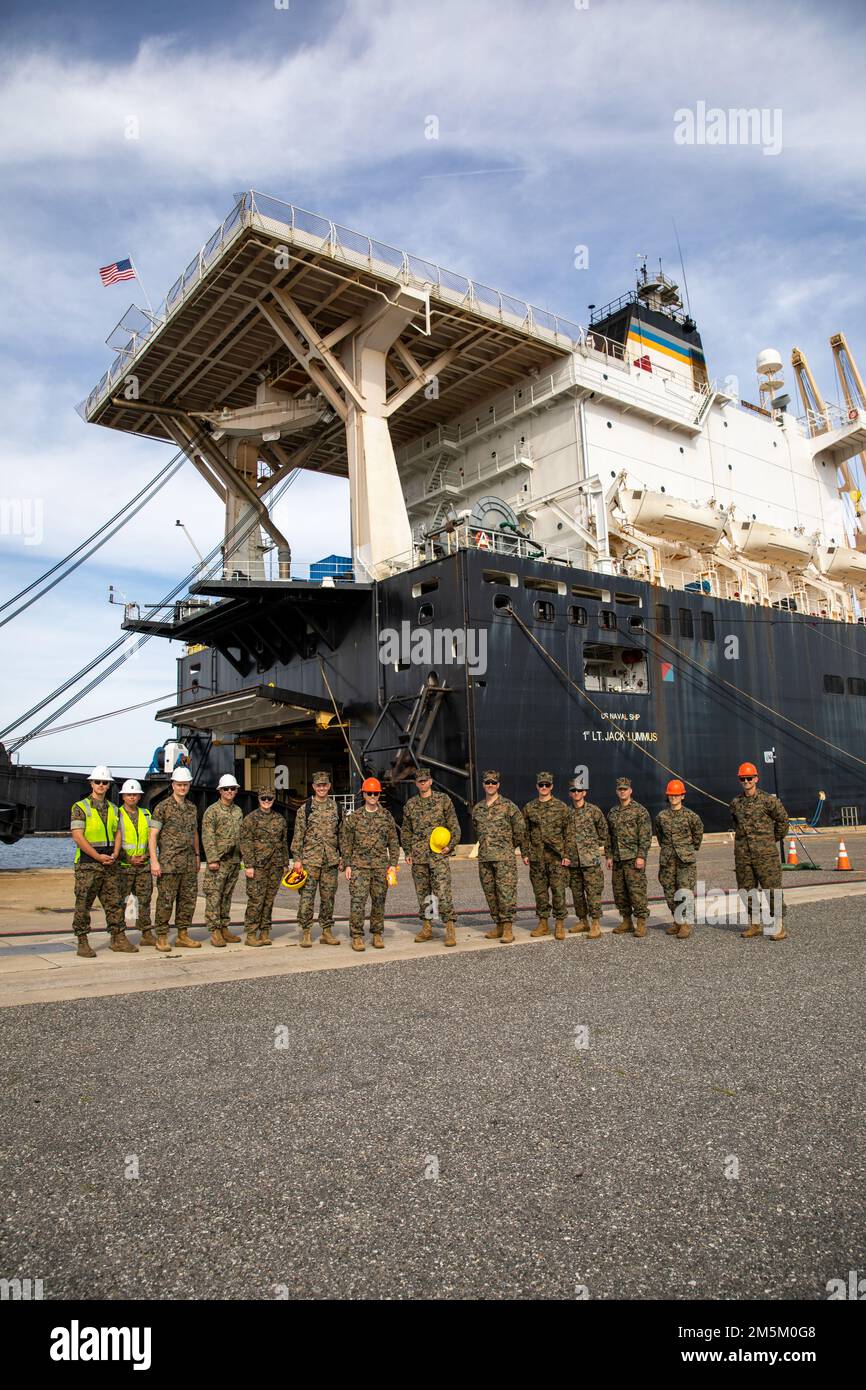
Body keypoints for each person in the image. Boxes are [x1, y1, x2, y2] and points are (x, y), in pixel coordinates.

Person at [69, 765, 129, 958]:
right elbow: (78, 836)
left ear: (109, 785)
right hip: (88, 864)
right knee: (84, 903)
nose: (101, 785)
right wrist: (97, 856)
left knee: (114, 902)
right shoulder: (80, 807)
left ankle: (118, 938)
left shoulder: (114, 809)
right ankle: (82, 941)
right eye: (98, 782)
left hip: (110, 863)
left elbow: (118, 832)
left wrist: (116, 852)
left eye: (105, 782)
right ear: (91, 783)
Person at [400, 767, 461, 947]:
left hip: (438, 856)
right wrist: (408, 851)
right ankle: (427, 927)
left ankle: (449, 927)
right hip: (419, 857)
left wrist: (450, 846)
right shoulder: (410, 805)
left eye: (426, 780)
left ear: (431, 781)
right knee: (424, 894)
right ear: (415, 784)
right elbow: (406, 831)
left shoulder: (443, 800)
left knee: (442, 892)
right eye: (420, 781)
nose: (423, 783)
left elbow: (454, 826)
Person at [339, 777, 399, 952]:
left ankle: (377, 934)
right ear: (364, 794)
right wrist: (348, 865)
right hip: (359, 867)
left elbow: (393, 842)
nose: (373, 796)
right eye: (370, 793)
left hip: (381, 867)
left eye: (376, 793)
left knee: (379, 901)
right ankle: (357, 936)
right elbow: (346, 842)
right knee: (358, 902)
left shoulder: (386, 816)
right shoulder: (355, 817)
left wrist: (393, 865)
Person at [730, 761, 789, 941]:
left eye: (749, 778)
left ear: (756, 778)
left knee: (772, 890)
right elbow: (736, 824)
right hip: (743, 856)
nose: (746, 781)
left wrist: (770, 840)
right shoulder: (735, 803)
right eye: (743, 778)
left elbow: (783, 822)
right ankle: (755, 925)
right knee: (746, 891)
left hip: (766, 855)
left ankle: (779, 927)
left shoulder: (768, 800)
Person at [148, 768, 201, 951]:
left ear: (189, 785)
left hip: (187, 863)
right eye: (179, 784)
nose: (182, 787)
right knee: (166, 900)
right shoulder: (162, 807)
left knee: (188, 900)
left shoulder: (192, 808)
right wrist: (154, 861)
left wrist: (196, 855)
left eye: (185, 784)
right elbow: (153, 835)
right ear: (173, 785)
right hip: (169, 864)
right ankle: (161, 937)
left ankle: (183, 935)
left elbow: (194, 833)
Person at [471, 771, 526, 944]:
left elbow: (520, 831)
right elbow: (477, 830)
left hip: (504, 858)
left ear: (499, 785)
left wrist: (507, 847)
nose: (490, 785)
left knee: (506, 892)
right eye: (487, 782)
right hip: (485, 858)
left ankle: (508, 927)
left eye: (494, 782)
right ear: (483, 784)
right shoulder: (478, 809)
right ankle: (498, 925)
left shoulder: (508, 806)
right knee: (490, 892)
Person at [291, 771, 343, 947]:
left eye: (325, 785)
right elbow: (298, 836)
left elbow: (341, 835)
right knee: (307, 897)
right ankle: (306, 931)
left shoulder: (337, 808)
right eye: (318, 785)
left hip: (330, 861)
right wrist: (297, 859)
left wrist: (343, 856)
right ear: (313, 787)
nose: (322, 788)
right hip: (310, 861)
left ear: (329, 786)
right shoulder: (305, 809)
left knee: (328, 898)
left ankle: (326, 931)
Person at [523, 771, 569, 940]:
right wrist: (525, 853)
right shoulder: (529, 808)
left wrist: (567, 854)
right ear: (537, 786)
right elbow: (524, 833)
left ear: (552, 786)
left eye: (547, 785)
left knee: (558, 891)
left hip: (556, 858)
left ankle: (559, 924)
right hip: (537, 858)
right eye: (541, 785)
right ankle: (543, 923)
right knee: (540, 893)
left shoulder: (561, 807)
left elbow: (569, 833)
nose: (544, 788)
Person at [655, 779, 704, 939]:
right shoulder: (661, 817)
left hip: (685, 861)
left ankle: (686, 924)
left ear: (683, 796)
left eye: (677, 795)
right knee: (669, 891)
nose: (674, 797)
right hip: (668, 859)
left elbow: (698, 834)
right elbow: (660, 837)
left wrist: (689, 849)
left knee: (684, 892)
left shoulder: (691, 816)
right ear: (667, 796)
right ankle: (677, 920)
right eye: (671, 795)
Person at [240, 789, 290, 946]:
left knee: (269, 900)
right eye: (264, 798)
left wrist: (284, 863)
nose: (266, 801)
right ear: (259, 798)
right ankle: (251, 933)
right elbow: (245, 843)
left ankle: (265, 931)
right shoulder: (250, 819)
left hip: (275, 866)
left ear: (273, 799)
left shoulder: (279, 819)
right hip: (258, 866)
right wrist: (249, 865)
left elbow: (283, 843)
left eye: (269, 798)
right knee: (256, 900)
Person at [562, 778, 609, 939]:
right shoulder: (566, 813)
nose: (576, 793)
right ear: (570, 793)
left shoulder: (594, 811)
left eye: (579, 791)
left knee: (593, 892)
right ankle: (583, 921)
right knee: (577, 893)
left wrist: (592, 847)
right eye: (573, 791)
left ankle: (595, 924)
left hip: (590, 862)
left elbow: (604, 832)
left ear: (585, 792)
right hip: (573, 862)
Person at [201, 774, 243, 947]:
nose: (230, 791)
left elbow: (242, 836)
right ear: (220, 791)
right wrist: (212, 859)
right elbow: (208, 836)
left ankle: (224, 927)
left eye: (233, 788)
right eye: (226, 789)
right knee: (214, 896)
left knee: (226, 896)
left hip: (233, 861)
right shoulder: (212, 811)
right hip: (218, 861)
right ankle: (215, 931)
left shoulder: (238, 811)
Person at [607, 777, 652, 937]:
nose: (622, 791)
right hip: (618, 859)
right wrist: (609, 855)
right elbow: (609, 837)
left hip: (633, 858)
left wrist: (641, 856)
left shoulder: (640, 811)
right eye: (620, 789)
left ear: (630, 791)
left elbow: (645, 836)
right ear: (616, 791)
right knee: (619, 892)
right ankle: (626, 921)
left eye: (625, 789)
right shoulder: (612, 812)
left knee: (637, 891)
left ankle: (641, 922)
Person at [117, 778, 154, 946]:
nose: (132, 797)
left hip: (143, 865)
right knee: (120, 902)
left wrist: (147, 856)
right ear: (123, 796)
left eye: (135, 795)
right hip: (124, 866)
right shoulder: (116, 814)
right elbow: (114, 840)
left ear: (139, 797)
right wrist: (129, 858)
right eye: (129, 794)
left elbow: (151, 838)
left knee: (144, 900)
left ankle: (146, 933)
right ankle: (119, 934)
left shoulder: (146, 814)